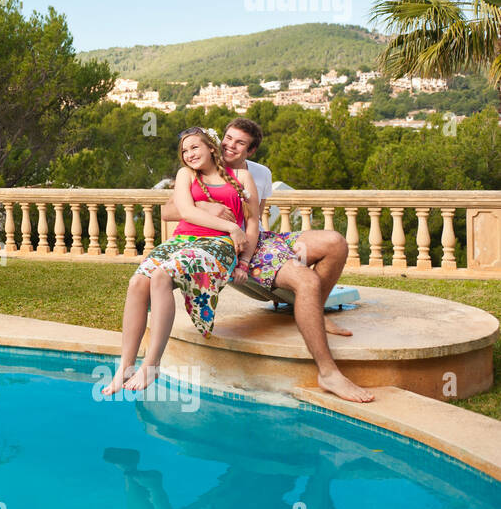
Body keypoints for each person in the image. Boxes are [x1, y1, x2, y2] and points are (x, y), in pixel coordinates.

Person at [159, 117, 374, 403]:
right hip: (229, 245)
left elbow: (255, 218)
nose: (229, 146)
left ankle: (314, 311)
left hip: (261, 240)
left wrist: (261, 248)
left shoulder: (259, 174)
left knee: (335, 243)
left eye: (240, 143)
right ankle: (327, 372)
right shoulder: (200, 164)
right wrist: (205, 205)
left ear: (251, 150)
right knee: (306, 279)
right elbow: (170, 211)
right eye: (227, 138)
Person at [103, 128, 257, 396]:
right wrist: (230, 226)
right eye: (185, 151)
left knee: (162, 275)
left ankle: (152, 365)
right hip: (182, 239)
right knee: (138, 281)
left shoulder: (241, 176)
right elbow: (184, 212)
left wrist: (243, 260)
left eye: (195, 148)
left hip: (217, 245)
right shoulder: (186, 175)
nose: (189, 155)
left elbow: (252, 221)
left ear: (211, 148)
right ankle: (124, 367)